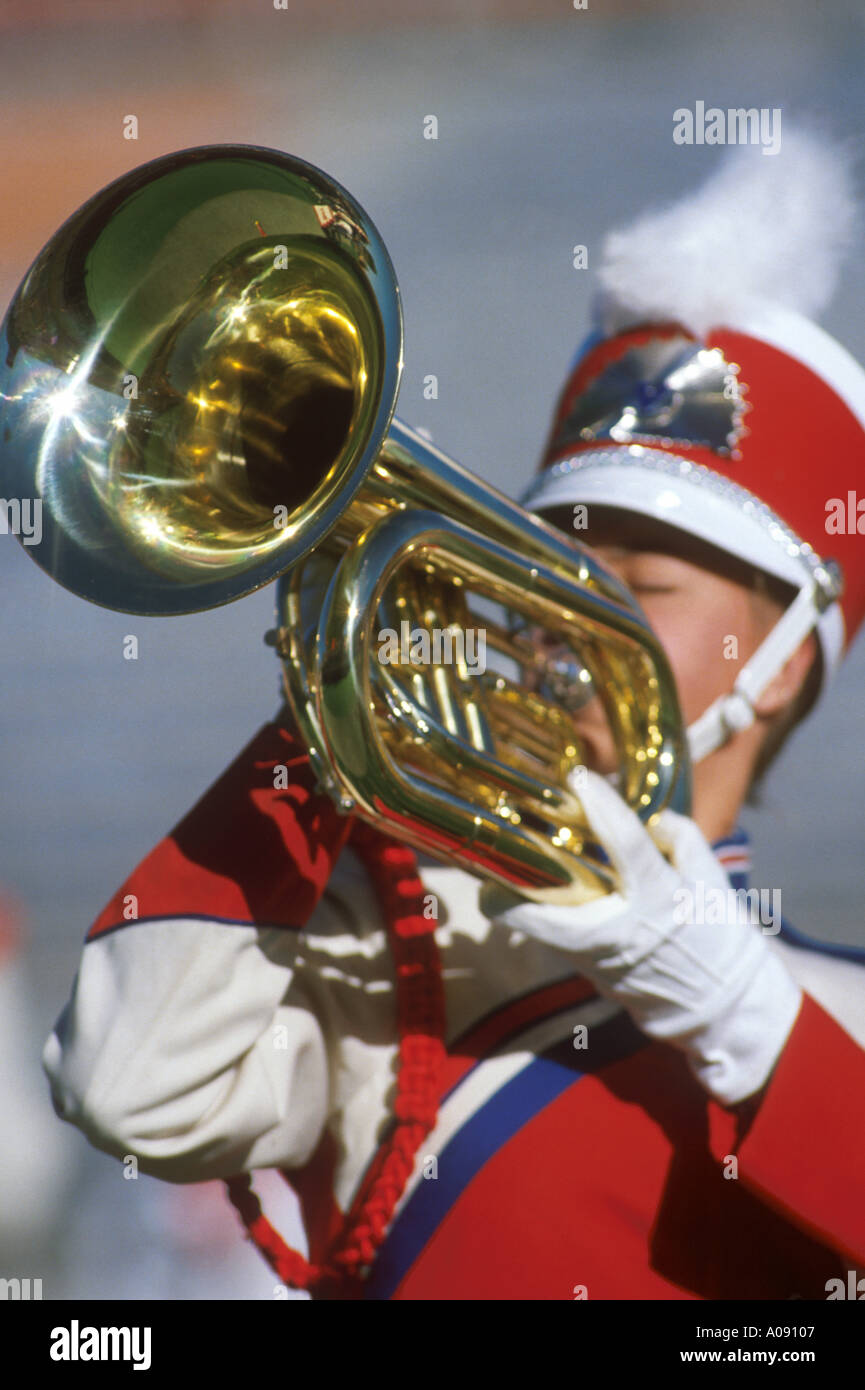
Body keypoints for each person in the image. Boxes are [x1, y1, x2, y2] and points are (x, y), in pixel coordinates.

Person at [43, 130, 865, 1300]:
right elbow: (126, 1087)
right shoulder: (393, 939)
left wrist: (733, 1005)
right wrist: (328, 714)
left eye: (647, 585)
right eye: (560, 564)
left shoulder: (834, 1007)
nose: (572, 617)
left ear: (778, 661)